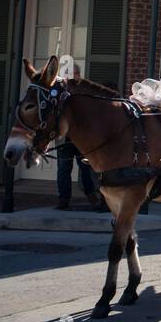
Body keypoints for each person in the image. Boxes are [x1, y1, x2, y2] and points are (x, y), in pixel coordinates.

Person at [56, 64, 103, 211]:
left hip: (82, 138)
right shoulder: (58, 93)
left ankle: (91, 195)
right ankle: (63, 199)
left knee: (86, 169)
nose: (72, 76)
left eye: (75, 73)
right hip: (65, 138)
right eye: (69, 74)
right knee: (64, 169)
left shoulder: (84, 91)